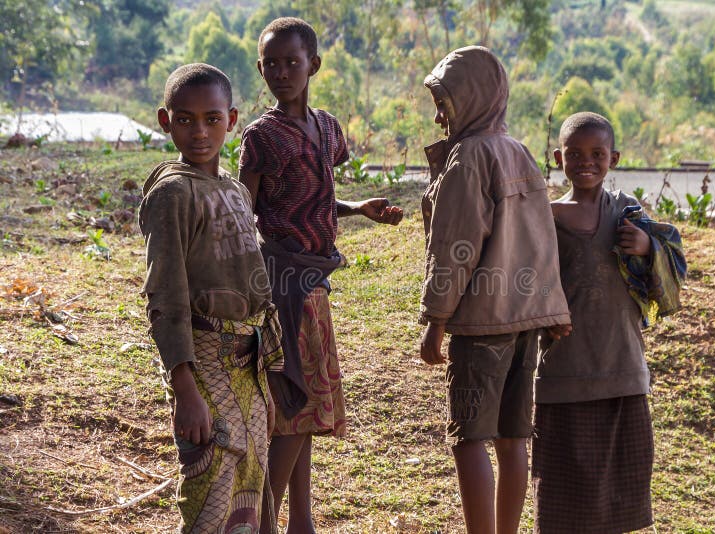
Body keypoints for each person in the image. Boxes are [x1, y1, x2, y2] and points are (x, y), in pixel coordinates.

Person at [237, 17, 403, 533]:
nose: (282, 73)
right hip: (282, 280)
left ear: (314, 64)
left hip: (315, 280)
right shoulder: (261, 137)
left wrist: (359, 208)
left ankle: (301, 521)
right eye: (271, 64)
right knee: (293, 400)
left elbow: (319, 195)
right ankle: (267, 521)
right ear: (260, 68)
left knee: (304, 407)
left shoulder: (327, 128)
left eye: (292, 62)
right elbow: (244, 211)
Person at [418, 46, 572, 534]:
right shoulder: (519, 151)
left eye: (446, 104)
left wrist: (435, 322)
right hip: (526, 321)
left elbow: (454, 248)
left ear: (474, 99)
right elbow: (542, 241)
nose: (440, 117)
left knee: (468, 439)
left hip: (481, 324)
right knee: (512, 438)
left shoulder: (469, 157)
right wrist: (553, 308)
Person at [139, 63, 282, 534]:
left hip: (250, 367)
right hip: (203, 365)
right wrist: (185, 391)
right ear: (165, 121)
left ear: (233, 118)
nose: (199, 131)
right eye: (185, 119)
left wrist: (267, 385)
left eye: (212, 119)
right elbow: (167, 298)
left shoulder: (236, 191)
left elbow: (257, 287)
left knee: (248, 493)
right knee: (209, 498)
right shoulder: (172, 195)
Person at [532, 111, 686, 533]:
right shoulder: (544, 217)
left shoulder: (628, 216)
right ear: (558, 157)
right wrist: (546, 313)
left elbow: (673, 265)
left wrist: (647, 245)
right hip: (563, 375)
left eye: (597, 153)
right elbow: (524, 279)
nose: (587, 161)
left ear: (613, 158)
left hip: (623, 372)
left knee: (622, 498)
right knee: (562, 497)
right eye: (575, 153)